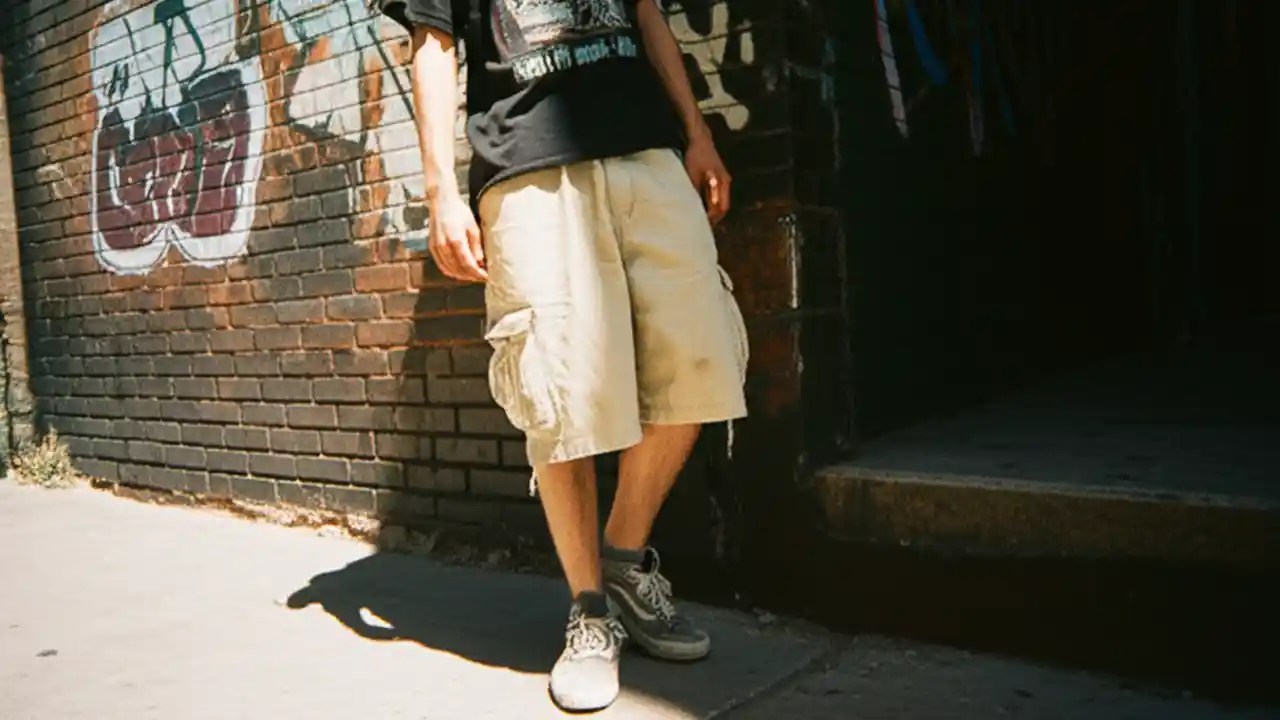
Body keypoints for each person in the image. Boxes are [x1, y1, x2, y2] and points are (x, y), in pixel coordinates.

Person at [379, 0, 749, 711]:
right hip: (527, 169)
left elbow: (645, 16)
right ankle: (590, 611)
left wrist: (697, 132)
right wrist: (440, 192)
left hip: (647, 151)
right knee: (558, 397)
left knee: (704, 362)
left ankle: (620, 559)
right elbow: (432, 44)